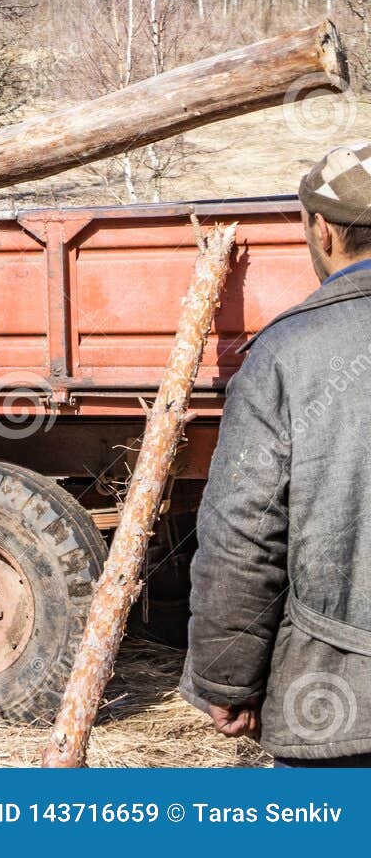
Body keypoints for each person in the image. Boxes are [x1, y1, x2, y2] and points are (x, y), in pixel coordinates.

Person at [185, 141, 371, 765]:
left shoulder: (286, 354)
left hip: (342, 701)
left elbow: (243, 535)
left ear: (323, 230)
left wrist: (225, 679)